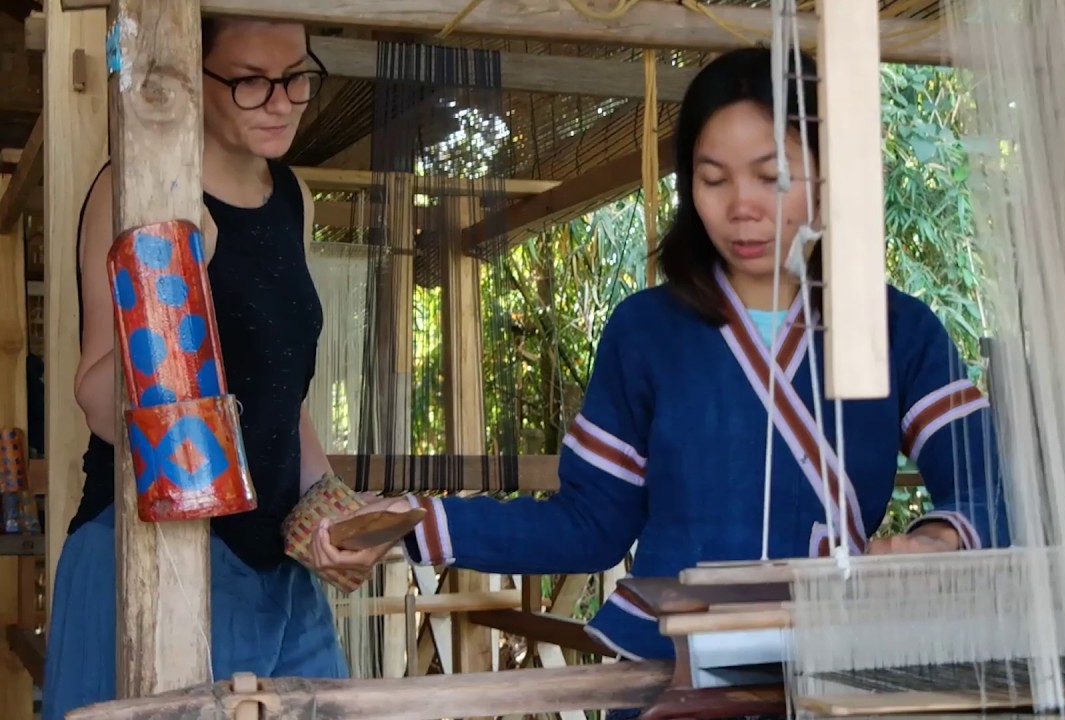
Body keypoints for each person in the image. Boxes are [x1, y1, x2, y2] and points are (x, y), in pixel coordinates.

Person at [310, 47, 1010, 663]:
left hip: (832, 666)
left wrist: (942, 540)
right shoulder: (647, 332)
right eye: (714, 179)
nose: (743, 206)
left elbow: (990, 489)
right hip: (672, 677)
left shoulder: (896, 330)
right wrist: (416, 521)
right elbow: (590, 528)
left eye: (773, 177)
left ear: (829, 178)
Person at [43, 17, 347, 719]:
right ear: (192, 76)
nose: (281, 100)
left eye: (298, 75)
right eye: (249, 81)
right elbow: (95, 398)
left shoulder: (293, 196)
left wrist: (327, 504)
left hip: (278, 560)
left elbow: (280, 390)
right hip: (156, 542)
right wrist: (178, 273)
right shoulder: (135, 185)